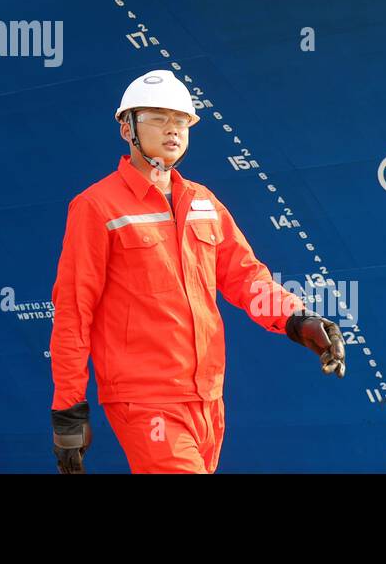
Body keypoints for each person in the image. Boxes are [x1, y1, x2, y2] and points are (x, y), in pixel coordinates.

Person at [49, 70, 345, 474]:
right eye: (157, 117)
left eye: (181, 120)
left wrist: (296, 319)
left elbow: (246, 278)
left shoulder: (204, 202)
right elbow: (74, 309)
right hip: (145, 398)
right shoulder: (98, 207)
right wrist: (68, 407)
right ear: (126, 128)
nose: (172, 129)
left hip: (208, 397)